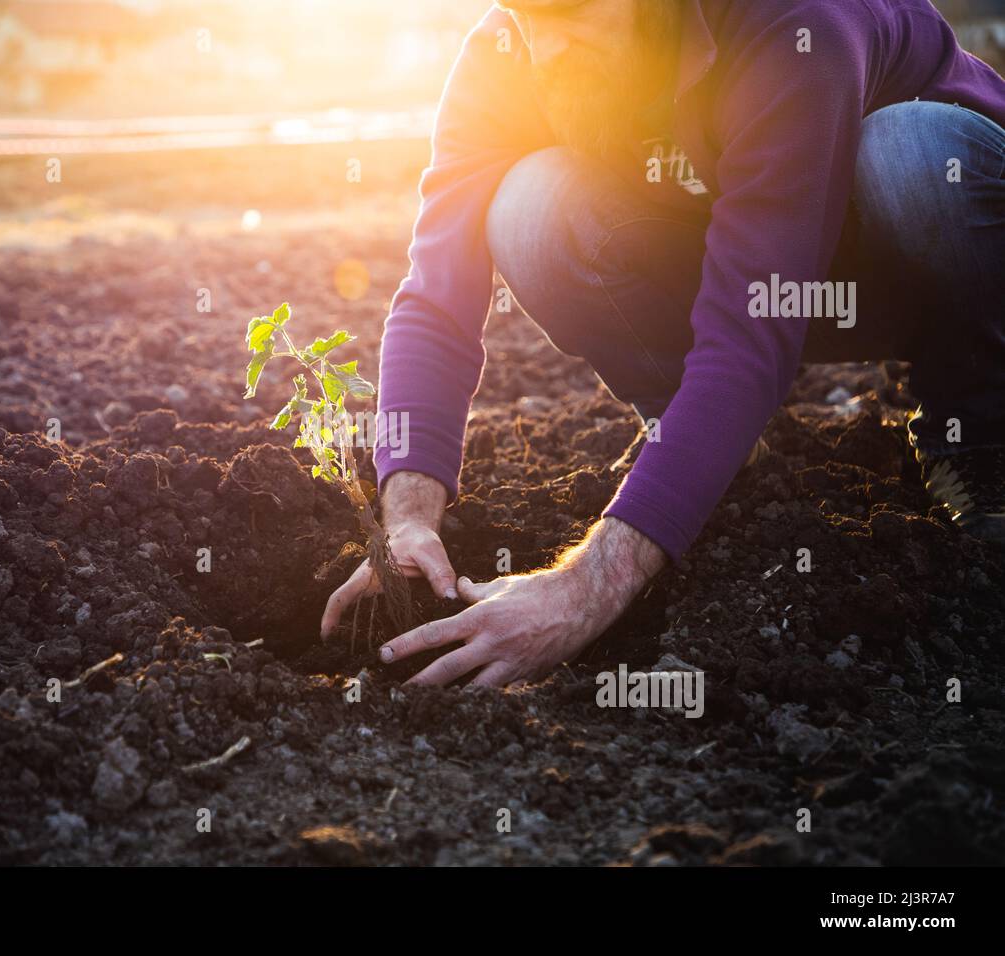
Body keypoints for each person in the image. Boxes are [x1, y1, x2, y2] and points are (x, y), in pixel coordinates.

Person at [320, 0, 1005, 688]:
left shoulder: (794, 25)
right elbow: (437, 290)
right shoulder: (509, 51)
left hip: (930, 259)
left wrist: (587, 590)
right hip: (757, 259)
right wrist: (406, 518)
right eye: (530, 15)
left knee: (911, 158)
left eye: (574, 14)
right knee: (531, 209)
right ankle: (699, 442)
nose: (545, 47)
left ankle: (978, 424)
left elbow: (751, 333)